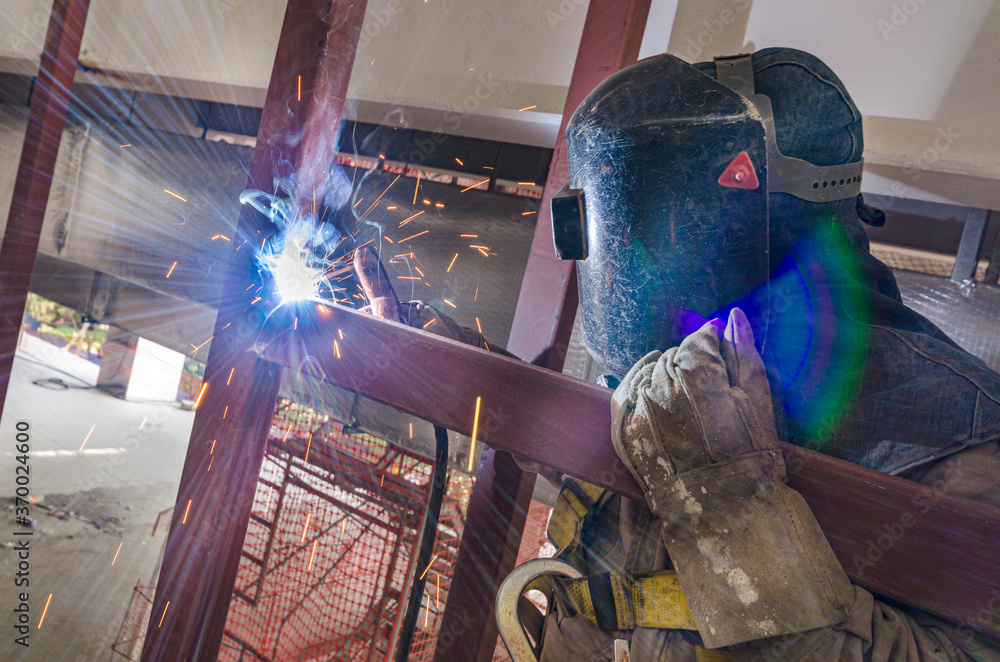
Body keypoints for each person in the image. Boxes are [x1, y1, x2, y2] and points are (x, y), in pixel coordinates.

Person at [359, 48, 1000, 660]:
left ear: (737, 200)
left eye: (657, 224)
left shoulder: (954, 433)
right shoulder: (691, 350)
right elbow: (591, 449)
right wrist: (444, 354)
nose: (633, 260)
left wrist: (724, 499)